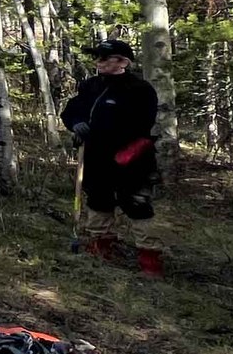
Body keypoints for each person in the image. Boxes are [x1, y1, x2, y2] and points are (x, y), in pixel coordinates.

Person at [62, 39, 163, 271]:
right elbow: (72, 110)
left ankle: (150, 257)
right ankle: (101, 245)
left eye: (104, 58)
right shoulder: (90, 86)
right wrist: (76, 123)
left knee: (137, 205)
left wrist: (122, 145)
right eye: (97, 57)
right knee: (99, 200)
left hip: (131, 157)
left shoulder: (140, 89)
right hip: (96, 156)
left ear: (123, 62)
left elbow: (143, 123)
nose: (99, 62)